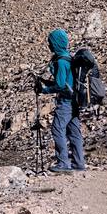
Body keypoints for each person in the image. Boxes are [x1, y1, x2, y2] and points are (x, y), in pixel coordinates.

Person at [36, 28, 85, 173]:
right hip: (75, 101)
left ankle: (63, 163)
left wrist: (44, 90)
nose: (49, 46)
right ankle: (79, 163)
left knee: (57, 129)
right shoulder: (68, 58)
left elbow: (60, 85)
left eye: (50, 43)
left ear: (56, 43)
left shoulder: (61, 62)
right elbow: (65, 82)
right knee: (74, 131)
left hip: (65, 102)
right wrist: (45, 82)